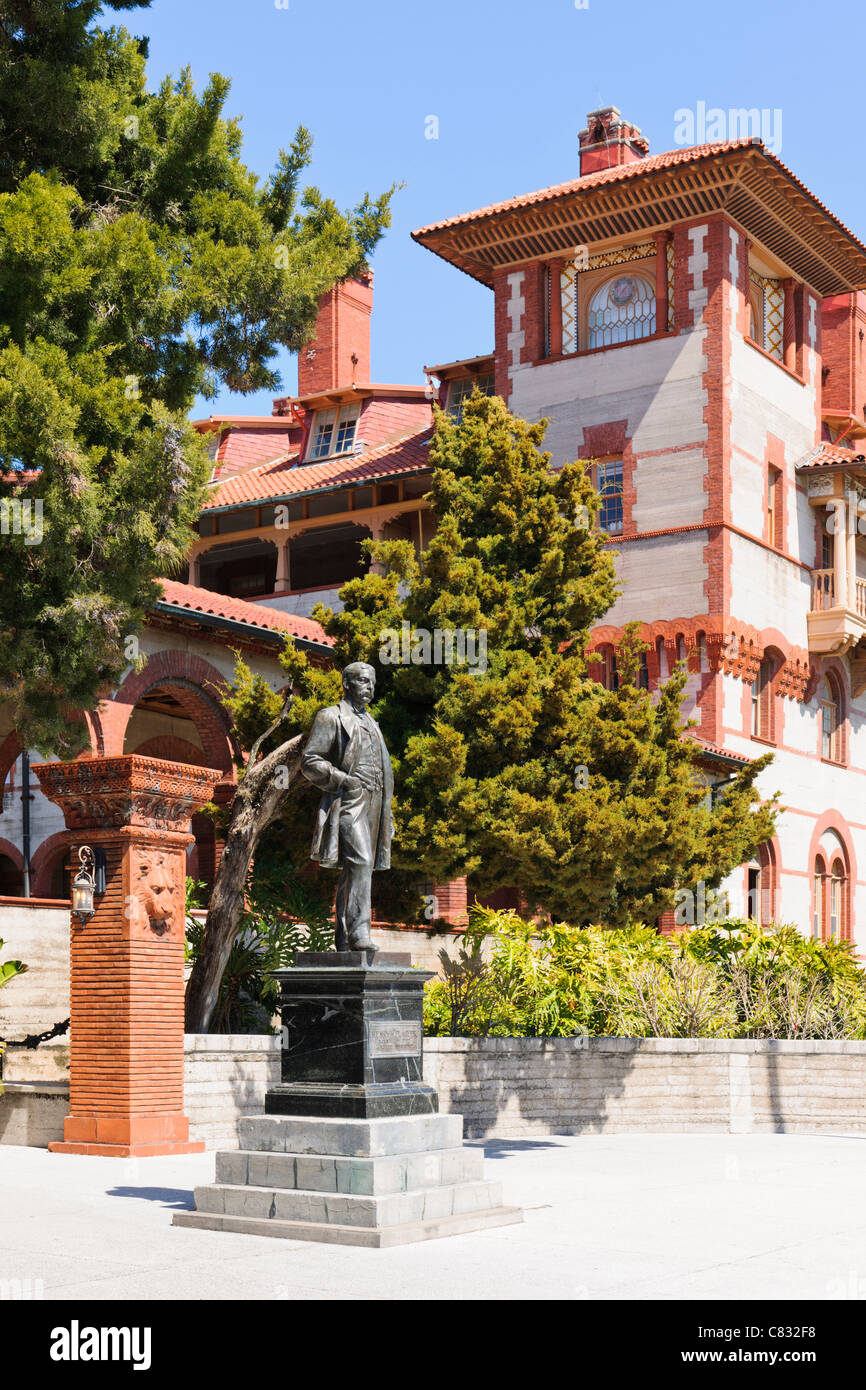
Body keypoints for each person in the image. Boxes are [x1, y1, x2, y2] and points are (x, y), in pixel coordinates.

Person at [300, 662, 394, 951]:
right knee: (362, 860)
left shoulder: (373, 722)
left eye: (373, 683)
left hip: (375, 803)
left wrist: (388, 812)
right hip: (349, 800)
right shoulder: (331, 717)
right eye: (364, 681)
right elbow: (310, 761)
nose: (369, 688)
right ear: (346, 682)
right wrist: (343, 780)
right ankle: (359, 933)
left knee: (354, 868)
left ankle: (343, 938)